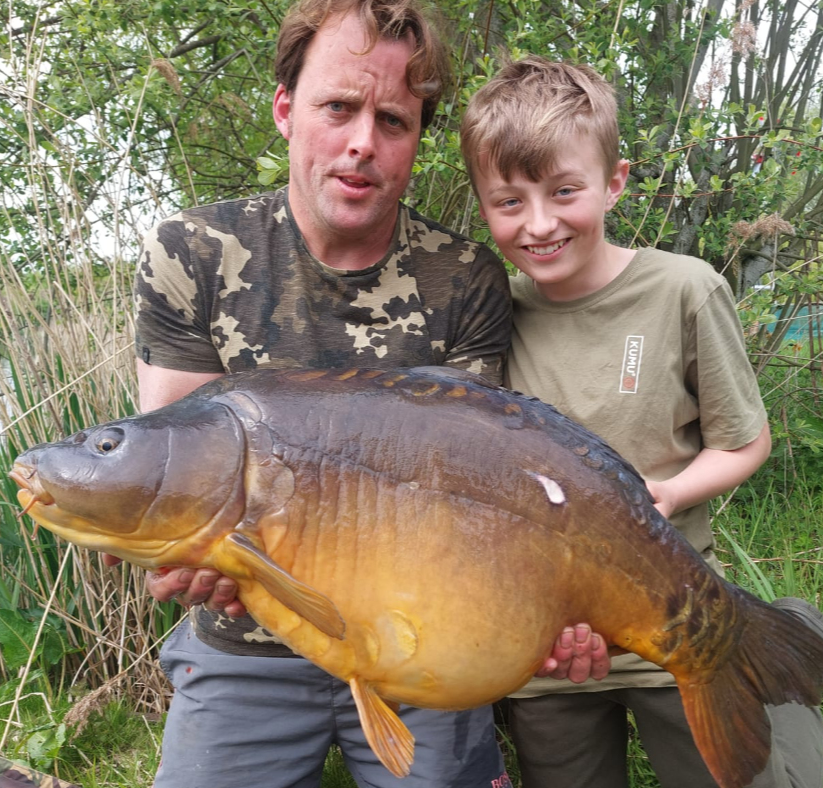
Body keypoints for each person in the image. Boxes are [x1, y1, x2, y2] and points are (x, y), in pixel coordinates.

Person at [124, 4, 608, 786]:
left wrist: (550, 607)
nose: (362, 143)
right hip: (243, 641)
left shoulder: (464, 278)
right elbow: (175, 477)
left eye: (393, 120)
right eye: (338, 107)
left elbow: (483, 493)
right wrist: (187, 555)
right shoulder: (195, 254)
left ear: (417, 141)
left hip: (416, 641)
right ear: (285, 109)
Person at [460, 55, 823, 788]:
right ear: (482, 203)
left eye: (565, 191)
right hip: (554, 648)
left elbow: (745, 441)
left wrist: (668, 496)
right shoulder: (488, 311)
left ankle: (793, 670)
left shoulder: (685, 290)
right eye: (509, 202)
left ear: (614, 181)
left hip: (682, 614)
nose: (539, 223)